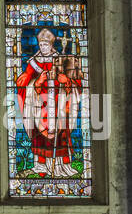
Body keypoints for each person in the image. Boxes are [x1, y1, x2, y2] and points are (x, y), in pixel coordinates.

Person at [15, 26, 82, 179]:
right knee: (40, 134)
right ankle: (41, 165)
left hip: (59, 104)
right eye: (40, 45)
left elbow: (76, 81)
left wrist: (67, 82)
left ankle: (61, 166)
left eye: (45, 44)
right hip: (41, 106)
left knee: (61, 135)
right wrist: (37, 83)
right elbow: (22, 82)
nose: (42, 47)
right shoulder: (34, 63)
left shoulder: (61, 60)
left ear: (51, 45)